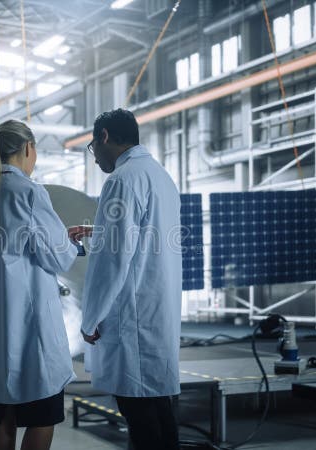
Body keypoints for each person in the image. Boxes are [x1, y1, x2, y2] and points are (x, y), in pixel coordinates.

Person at [69, 109, 182, 450]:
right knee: (159, 409)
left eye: (93, 148)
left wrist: (89, 319)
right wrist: (100, 230)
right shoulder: (159, 176)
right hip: (156, 309)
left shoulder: (121, 179)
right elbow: (144, 234)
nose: (96, 158)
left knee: (140, 414)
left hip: (133, 317)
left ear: (103, 137)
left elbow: (112, 261)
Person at [0, 120, 78, 450]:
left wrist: (57, 239)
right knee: (44, 417)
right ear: (29, 148)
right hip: (31, 331)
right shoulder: (28, 191)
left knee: (5, 415)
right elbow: (60, 258)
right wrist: (73, 244)